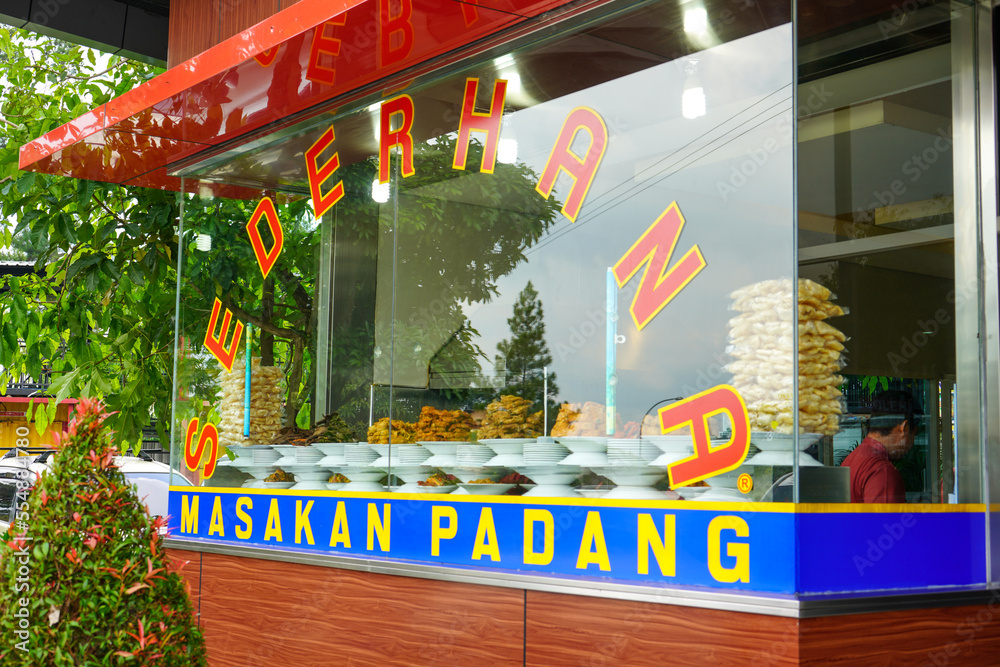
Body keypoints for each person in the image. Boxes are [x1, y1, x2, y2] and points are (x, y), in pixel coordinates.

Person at [840, 389, 921, 503]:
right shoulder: (883, 471)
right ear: (905, 428)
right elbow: (886, 521)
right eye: (914, 434)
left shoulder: (852, 459)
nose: (912, 443)